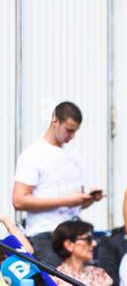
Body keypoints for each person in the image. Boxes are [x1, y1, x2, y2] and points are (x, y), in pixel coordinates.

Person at [11, 102, 102, 263]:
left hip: (75, 234)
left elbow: (75, 203)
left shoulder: (74, 154)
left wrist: (89, 199)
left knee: (90, 276)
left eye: (75, 131)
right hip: (46, 234)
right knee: (56, 279)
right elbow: (18, 200)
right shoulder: (33, 154)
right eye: (69, 130)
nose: (72, 136)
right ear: (55, 122)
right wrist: (66, 201)